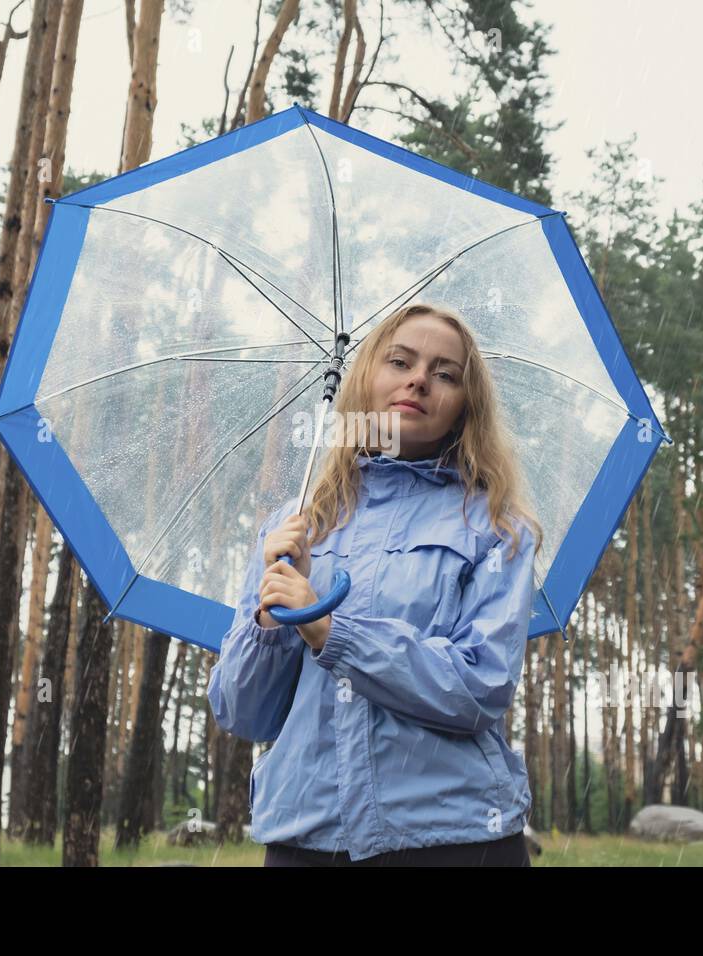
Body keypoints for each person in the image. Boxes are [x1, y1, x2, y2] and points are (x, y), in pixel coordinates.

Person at [207, 302, 543, 867]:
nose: (419, 379)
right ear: (365, 380)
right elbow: (246, 714)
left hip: (455, 841)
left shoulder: (496, 527)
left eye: (445, 373)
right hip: (307, 839)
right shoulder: (295, 525)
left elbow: (480, 686)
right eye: (400, 361)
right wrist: (269, 622)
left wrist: (331, 630)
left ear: (465, 408)